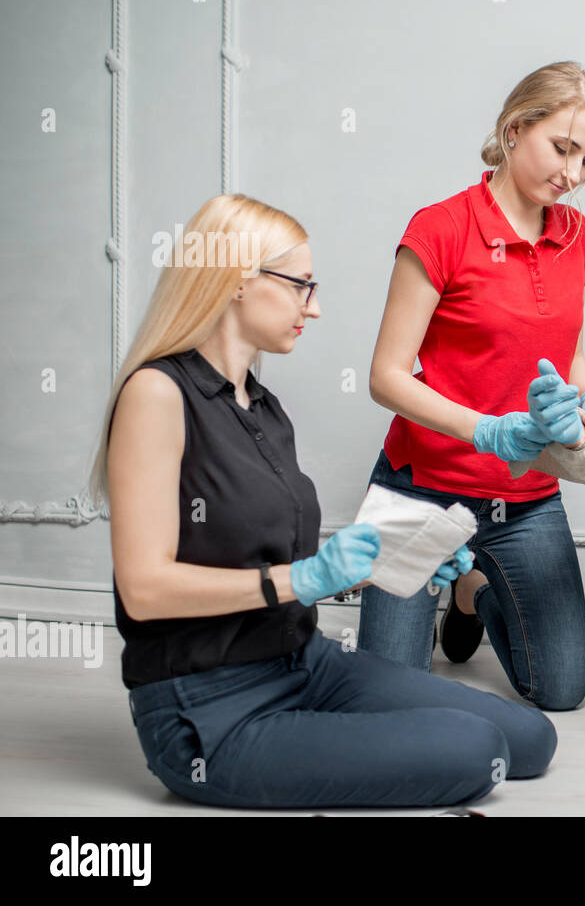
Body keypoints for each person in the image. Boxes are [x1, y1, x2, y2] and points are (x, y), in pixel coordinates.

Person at [89, 194, 556, 808]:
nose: (316, 306)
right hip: (213, 709)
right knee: (478, 749)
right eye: (301, 286)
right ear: (236, 279)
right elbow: (145, 591)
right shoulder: (157, 394)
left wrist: (387, 562)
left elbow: (276, 564)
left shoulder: (261, 407)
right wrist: (301, 579)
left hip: (303, 662)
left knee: (531, 737)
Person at [360, 61, 585, 711]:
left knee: (561, 688)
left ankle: (472, 591)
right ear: (514, 129)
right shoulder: (440, 228)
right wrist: (487, 429)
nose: (573, 174)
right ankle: (452, 588)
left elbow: (565, 348)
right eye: (562, 148)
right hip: (422, 484)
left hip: (525, 494)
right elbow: (385, 377)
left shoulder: (575, 236)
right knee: (386, 699)